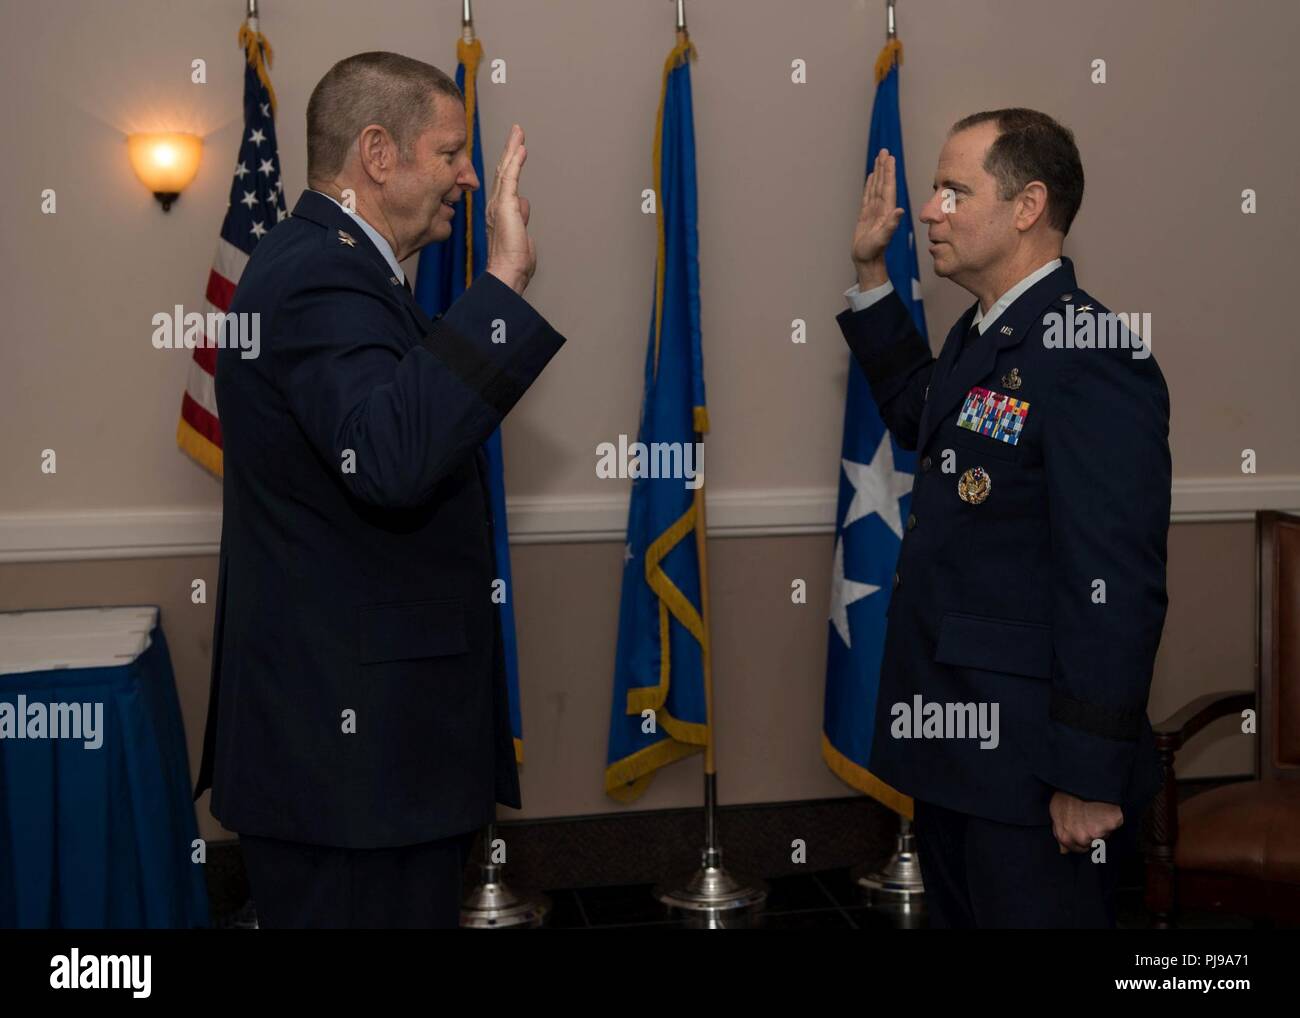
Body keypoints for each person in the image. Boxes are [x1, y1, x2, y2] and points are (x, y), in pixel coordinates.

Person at [193, 51, 565, 928]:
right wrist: (505, 284)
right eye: (451, 154)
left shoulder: (340, 269)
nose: (469, 178)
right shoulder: (322, 274)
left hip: (361, 758)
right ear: (377, 152)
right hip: (350, 764)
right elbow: (391, 458)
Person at [839, 108, 1171, 927]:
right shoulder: (987, 333)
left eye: (955, 191)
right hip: (960, 749)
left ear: (1027, 206)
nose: (928, 211)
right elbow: (926, 422)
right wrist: (871, 275)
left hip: (1035, 766)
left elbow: (1113, 583)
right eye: (933, 191)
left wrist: (1089, 776)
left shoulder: (1090, 353)